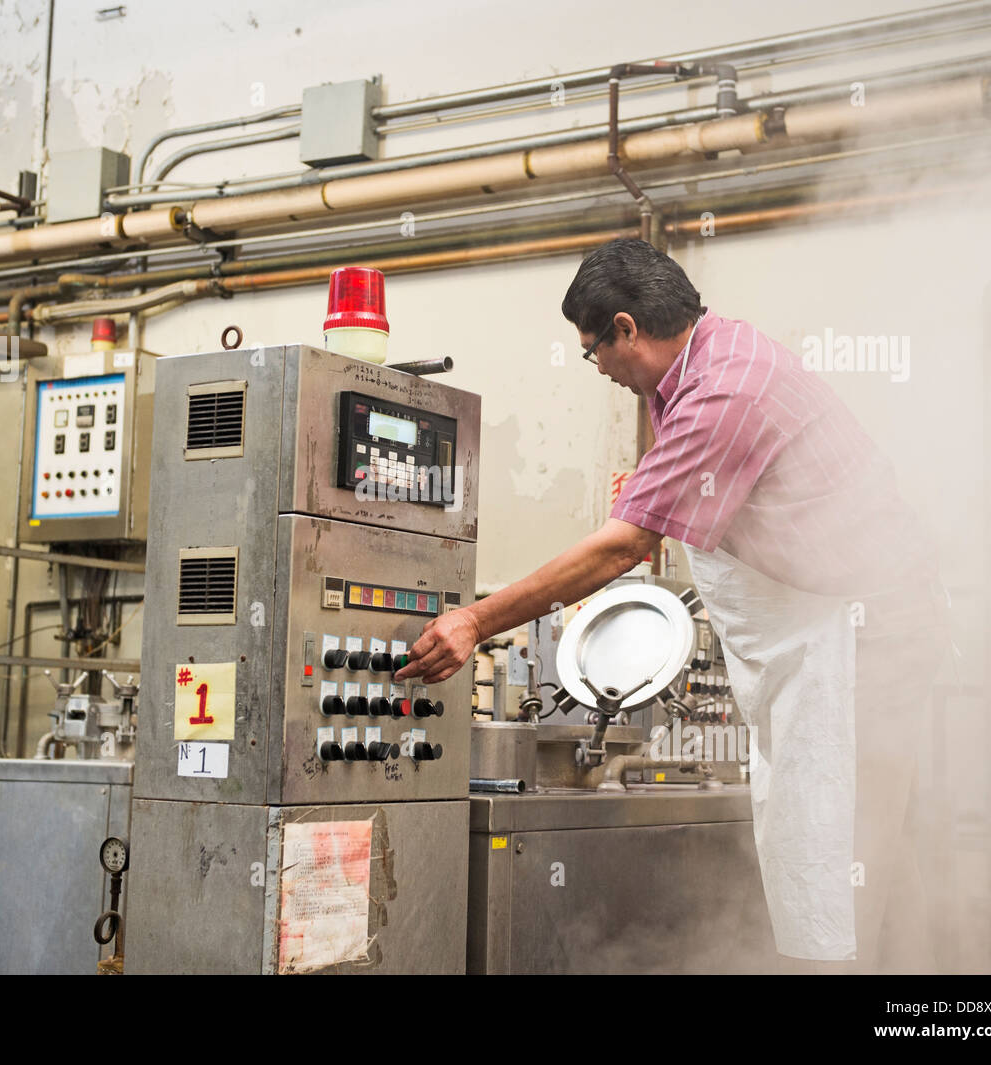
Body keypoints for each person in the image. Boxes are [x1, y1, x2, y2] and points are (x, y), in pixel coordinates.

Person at [394, 237, 950, 970]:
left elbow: (620, 549)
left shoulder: (724, 390)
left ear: (627, 328)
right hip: (828, 633)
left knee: (850, 849)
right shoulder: (692, 371)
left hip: (867, 637)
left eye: (593, 351)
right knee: (863, 845)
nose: (598, 370)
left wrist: (473, 618)